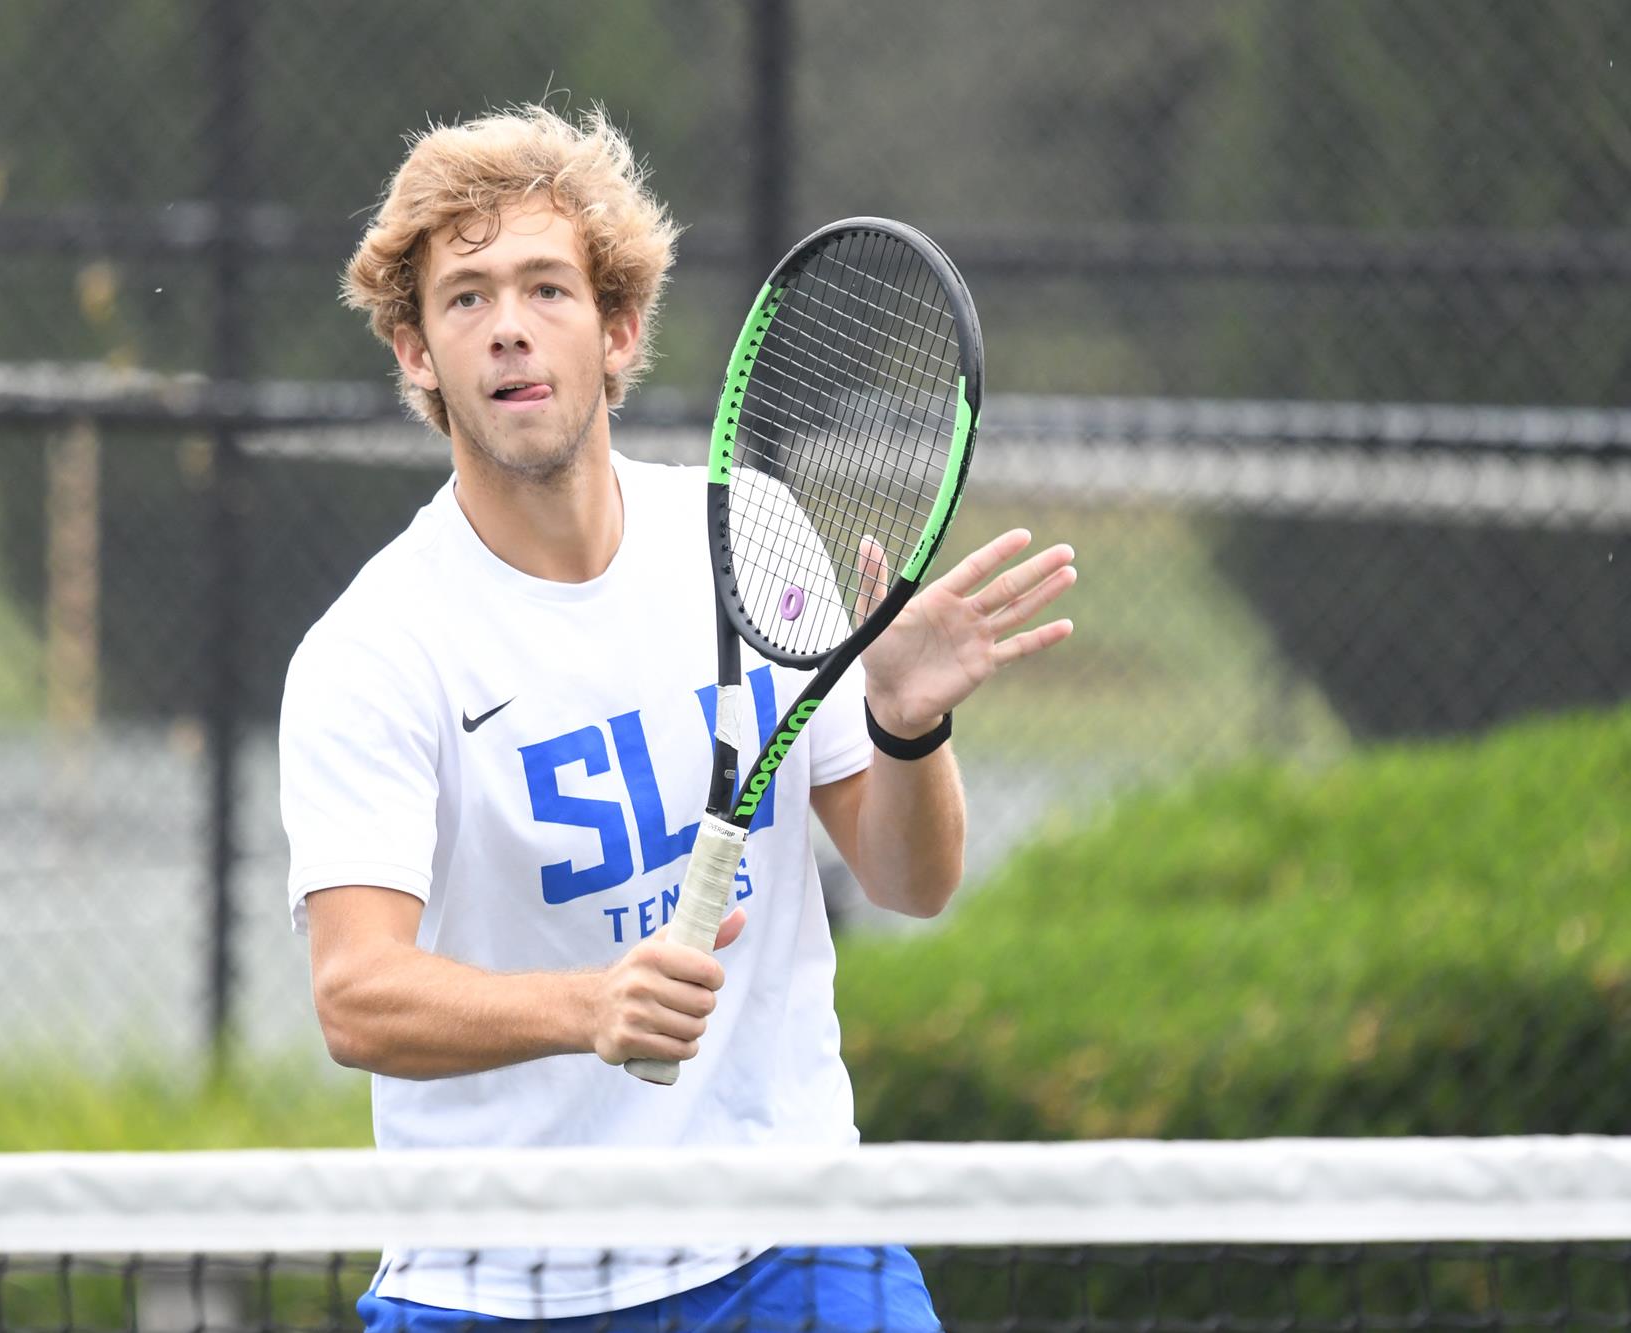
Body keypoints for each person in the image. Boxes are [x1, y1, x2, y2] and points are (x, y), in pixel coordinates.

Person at [280, 103, 1076, 1332]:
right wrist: (585, 1007)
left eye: (546, 287)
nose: (507, 327)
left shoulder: (748, 531)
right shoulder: (373, 651)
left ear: (617, 327)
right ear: (415, 355)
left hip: (791, 1235)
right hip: (500, 1286)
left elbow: (911, 881)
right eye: (464, 297)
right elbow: (356, 995)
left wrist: (907, 727)